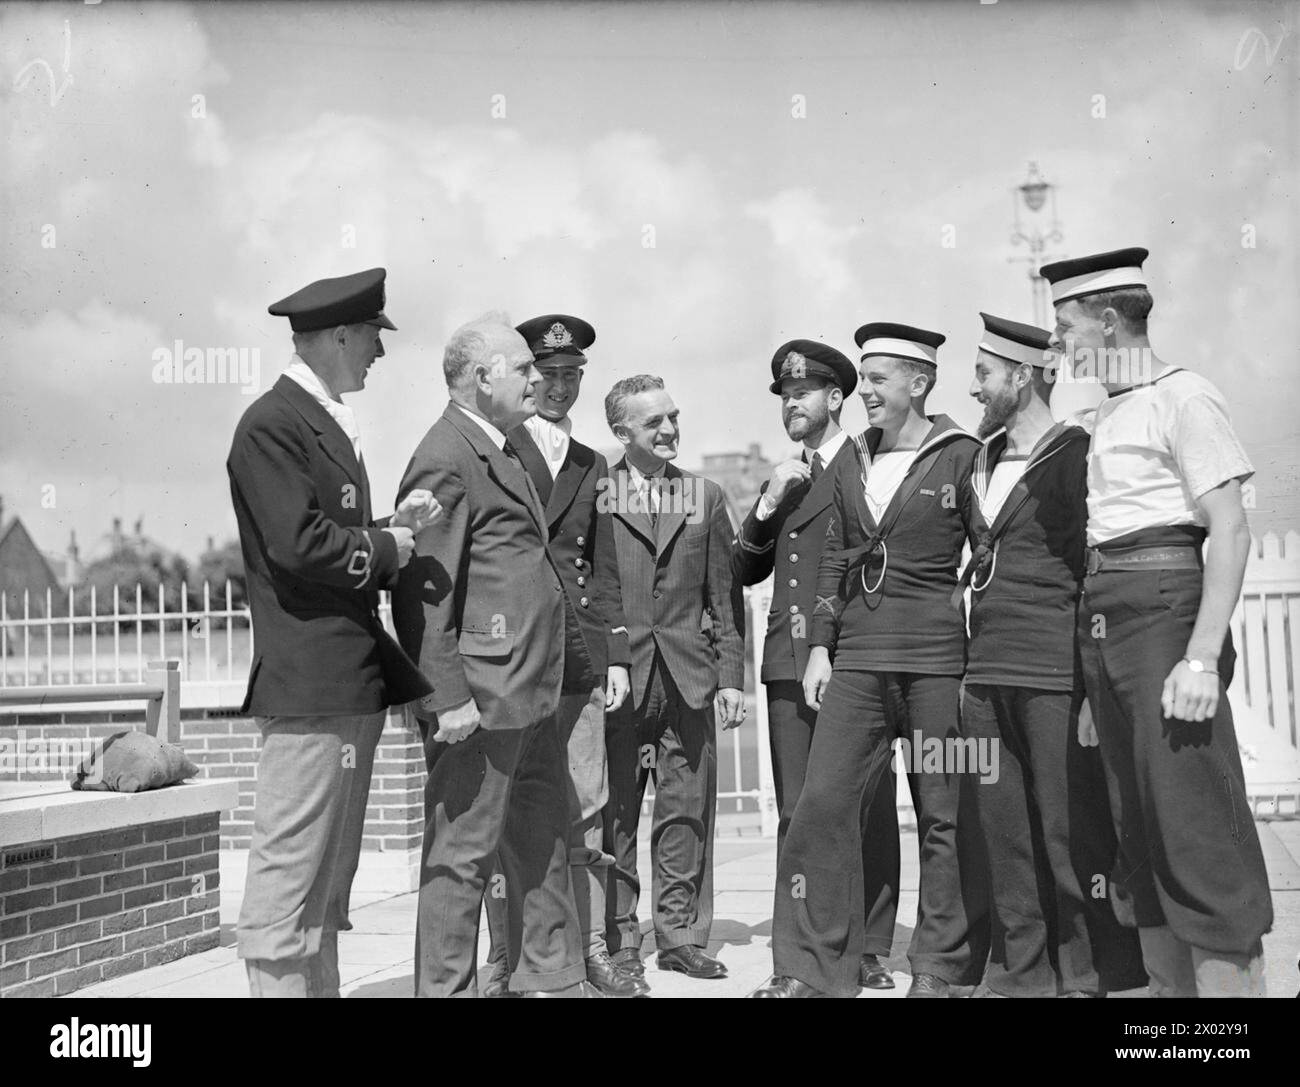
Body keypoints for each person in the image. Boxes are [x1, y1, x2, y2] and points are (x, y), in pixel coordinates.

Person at [1041, 246, 1272, 997]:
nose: (1060, 344)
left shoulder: (1185, 395)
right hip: (1108, 630)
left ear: (1108, 319)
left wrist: (1201, 657)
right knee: (1135, 834)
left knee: (1193, 830)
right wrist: (1090, 685)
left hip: (1167, 620)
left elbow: (1228, 530)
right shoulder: (1103, 411)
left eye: (1066, 325)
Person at [753, 323, 989, 998]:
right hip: (856, 659)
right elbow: (833, 556)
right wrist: (822, 645)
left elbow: (988, 550)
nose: (868, 395)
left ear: (919, 383)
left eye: (879, 380)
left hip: (938, 662)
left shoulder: (960, 454)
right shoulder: (853, 455)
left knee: (943, 813)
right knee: (822, 803)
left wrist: (979, 648)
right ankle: (808, 968)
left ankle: (941, 967)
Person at [228, 267, 440, 998]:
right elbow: (295, 544)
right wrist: (386, 550)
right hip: (311, 687)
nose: (378, 355)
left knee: (324, 891)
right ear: (341, 335)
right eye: (372, 339)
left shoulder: (317, 419)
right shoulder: (273, 423)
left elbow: (328, 540)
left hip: (346, 685)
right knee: (288, 890)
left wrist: (390, 530)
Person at [391, 311, 594, 998]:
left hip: (529, 694)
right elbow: (421, 591)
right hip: (479, 701)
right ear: (482, 378)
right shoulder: (445, 456)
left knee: (543, 843)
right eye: (524, 369)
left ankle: (551, 980)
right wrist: (445, 697)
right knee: (461, 858)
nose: (539, 378)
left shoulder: (500, 447)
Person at [960, 311, 1146, 997]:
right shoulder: (978, 459)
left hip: (1052, 670)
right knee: (1005, 836)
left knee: (1073, 837)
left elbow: (1090, 568)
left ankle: (1095, 972)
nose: (973, 388)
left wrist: (1092, 679)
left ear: (1022, 374)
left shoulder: (1075, 452)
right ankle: (1019, 974)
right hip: (984, 676)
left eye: (983, 375)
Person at [476, 314, 645, 998]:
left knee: (585, 806)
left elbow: (603, 568)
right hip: (512, 656)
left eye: (572, 375)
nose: (559, 387)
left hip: (575, 657)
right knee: (503, 808)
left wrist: (613, 656)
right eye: (547, 375)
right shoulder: (498, 446)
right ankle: (502, 955)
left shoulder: (592, 463)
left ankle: (592, 947)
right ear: (527, 377)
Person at [732, 339, 900, 991]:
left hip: (851, 656)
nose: (791, 404)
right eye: (784, 395)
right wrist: (768, 502)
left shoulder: (866, 464)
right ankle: (799, 955)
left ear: (836, 398)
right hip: (786, 659)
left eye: (802, 393)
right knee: (797, 811)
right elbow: (743, 569)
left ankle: (867, 946)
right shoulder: (788, 474)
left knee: (865, 803)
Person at [601, 375, 746, 981]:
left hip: (689, 677)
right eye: (653, 422)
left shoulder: (705, 497)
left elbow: (724, 597)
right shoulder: (598, 493)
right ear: (621, 432)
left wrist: (732, 676)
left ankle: (682, 935)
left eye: (673, 417)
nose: (669, 430)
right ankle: (621, 939)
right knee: (617, 814)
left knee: (686, 809)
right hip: (621, 678)